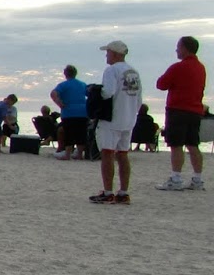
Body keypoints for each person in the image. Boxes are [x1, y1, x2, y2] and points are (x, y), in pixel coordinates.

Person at [89, 40, 143, 204]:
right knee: (123, 154)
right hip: (129, 118)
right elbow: (139, 99)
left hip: (113, 118)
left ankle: (107, 191)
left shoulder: (112, 70)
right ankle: (123, 192)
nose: (106, 55)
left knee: (107, 153)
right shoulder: (133, 72)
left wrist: (94, 93)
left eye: (108, 52)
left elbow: (108, 92)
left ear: (115, 53)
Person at [156, 36, 206, 191]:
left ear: (185, 48)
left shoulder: (178, 67)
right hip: (195, 110)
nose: (176, 50)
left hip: (178, 110)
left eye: (178, 46)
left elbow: (161, 84)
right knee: (193, 145)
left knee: (176, 145)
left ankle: (176, 178)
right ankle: (197, 179)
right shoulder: (201, 67)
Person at [50, 64, 89, 159]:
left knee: (69, 133)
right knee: (81, 133)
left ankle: (67, 154)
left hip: (69, 112)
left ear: (65, 74)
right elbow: (89, 94)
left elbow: (53, 93)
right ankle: (79, 154)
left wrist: (59, 103)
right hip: (83, 112)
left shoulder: (63, 85)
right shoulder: (82, 84)